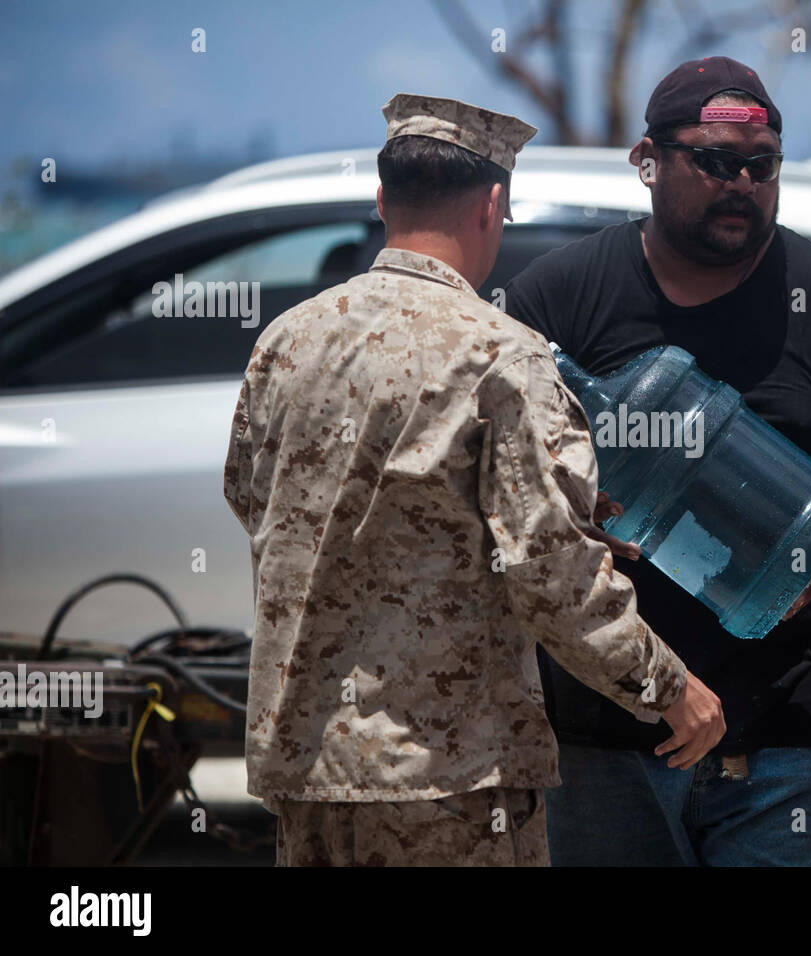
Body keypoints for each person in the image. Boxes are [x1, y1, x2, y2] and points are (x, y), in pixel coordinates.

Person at [222, 93, 724, 867]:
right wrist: (667, 687)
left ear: (383, 199)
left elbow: (253, 500)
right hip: (445, 778)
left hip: (305, 763)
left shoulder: (285, 341)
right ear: (494, 202)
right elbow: (551, 571)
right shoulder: (502, 355)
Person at [504, 57, 811, 866]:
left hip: (805, 728)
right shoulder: (560, 296)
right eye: (713, 162)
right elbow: (503, 475)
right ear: (648, 160)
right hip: (612, 725)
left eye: (760, 165)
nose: (741, 182)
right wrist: (572, 522)